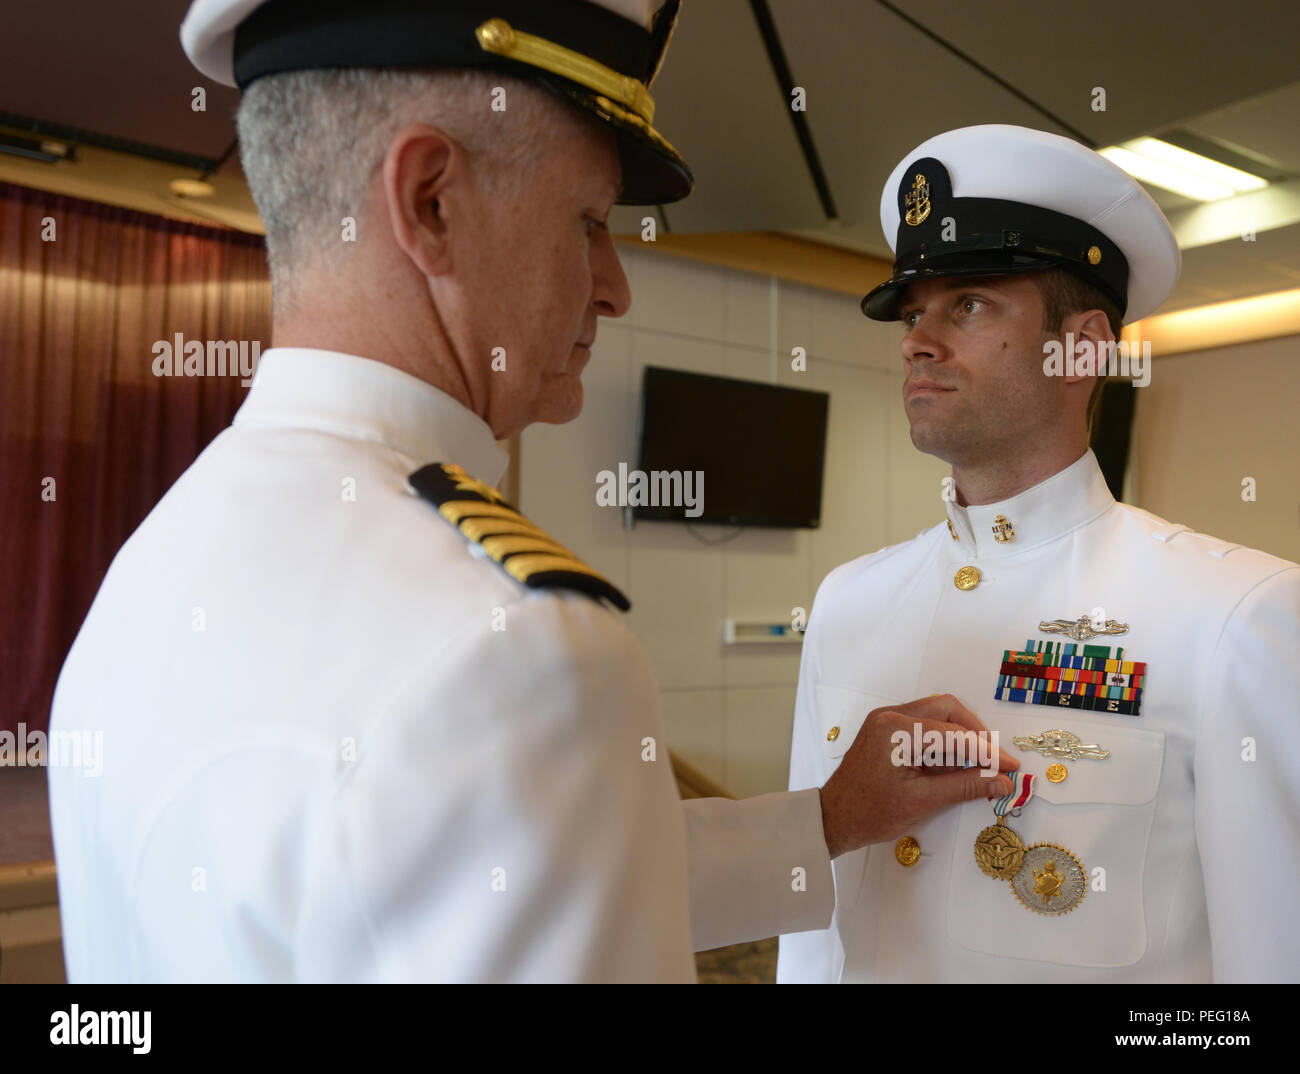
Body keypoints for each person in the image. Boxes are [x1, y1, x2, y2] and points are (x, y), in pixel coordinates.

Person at [46, 1, 1016, 983]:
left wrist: (830, 818)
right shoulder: (510, 649)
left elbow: (468, 879)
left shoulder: (154, 561)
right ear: (431, 201)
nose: (614, 286)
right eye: (589, 222)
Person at [777, 123, 1300, 984]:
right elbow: (809, 921)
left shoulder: (1234, 617)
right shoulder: (849, 599)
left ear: (1085, 346)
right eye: (913, 313)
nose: (917, 339)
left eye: (969, 305)